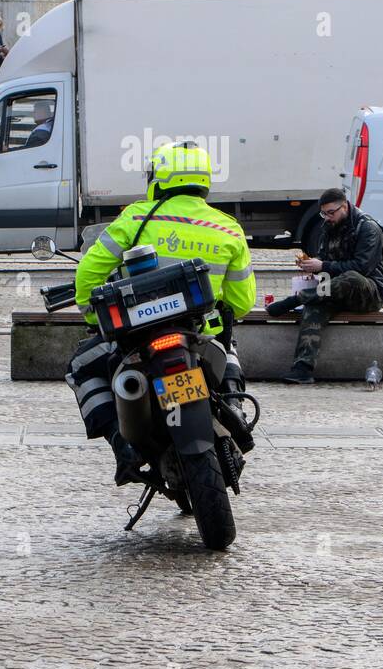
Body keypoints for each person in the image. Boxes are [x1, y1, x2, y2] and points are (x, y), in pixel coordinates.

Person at [67, 143, 257, 486]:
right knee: (229, 353)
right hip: (201, 335)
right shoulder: (229, 229)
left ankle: (120, 442)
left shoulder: (137, 217)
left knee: (80, 366)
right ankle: (237, 415)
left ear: (160, 178)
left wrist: (92, 317)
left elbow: (88, 276)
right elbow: (241, 302)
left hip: (141, 339)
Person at [284, 188, 383, 384]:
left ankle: (296, 299)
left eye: (331, 212)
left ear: (344, 206)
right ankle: (302, 368)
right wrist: (313, 266)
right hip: (336, 289)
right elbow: (326, 262)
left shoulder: (368, 228)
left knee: (351, 277)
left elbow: (363, 267)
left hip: (369, 291)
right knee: (316, 304)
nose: (327, 218)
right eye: (323, 213)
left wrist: (324, 265)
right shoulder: (329, 227)